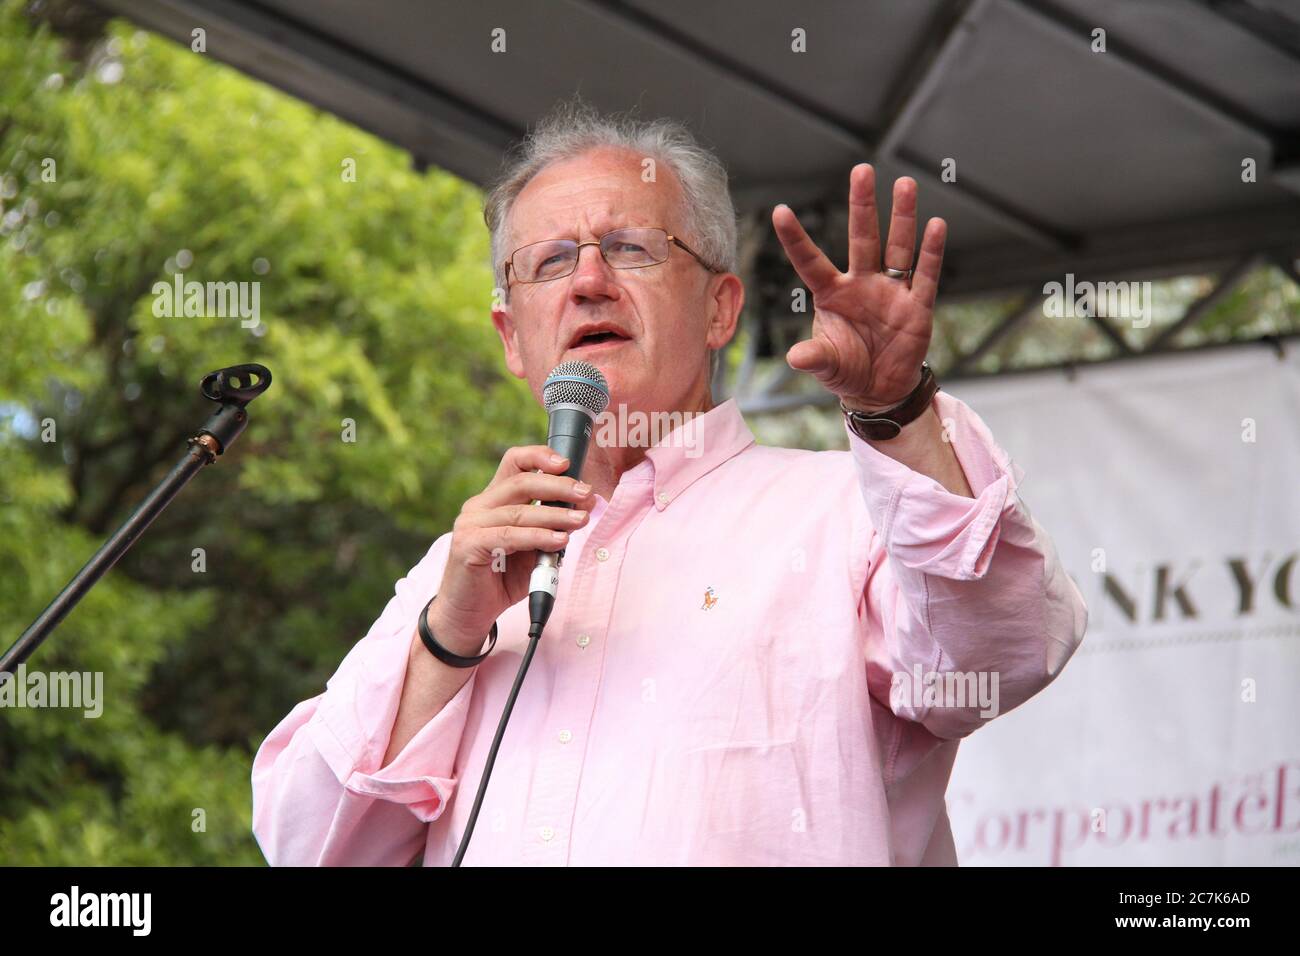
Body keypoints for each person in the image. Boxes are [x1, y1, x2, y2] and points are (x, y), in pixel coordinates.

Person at [251, 99, 1087, 866]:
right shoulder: (463, 568)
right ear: (513, 339)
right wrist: (449, 632)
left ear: (721, 309)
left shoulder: (848, 516)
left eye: (627, 249)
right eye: (547, 263)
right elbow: (305, 845)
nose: (587, 281)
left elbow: (1001, 653)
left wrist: (898, 407)